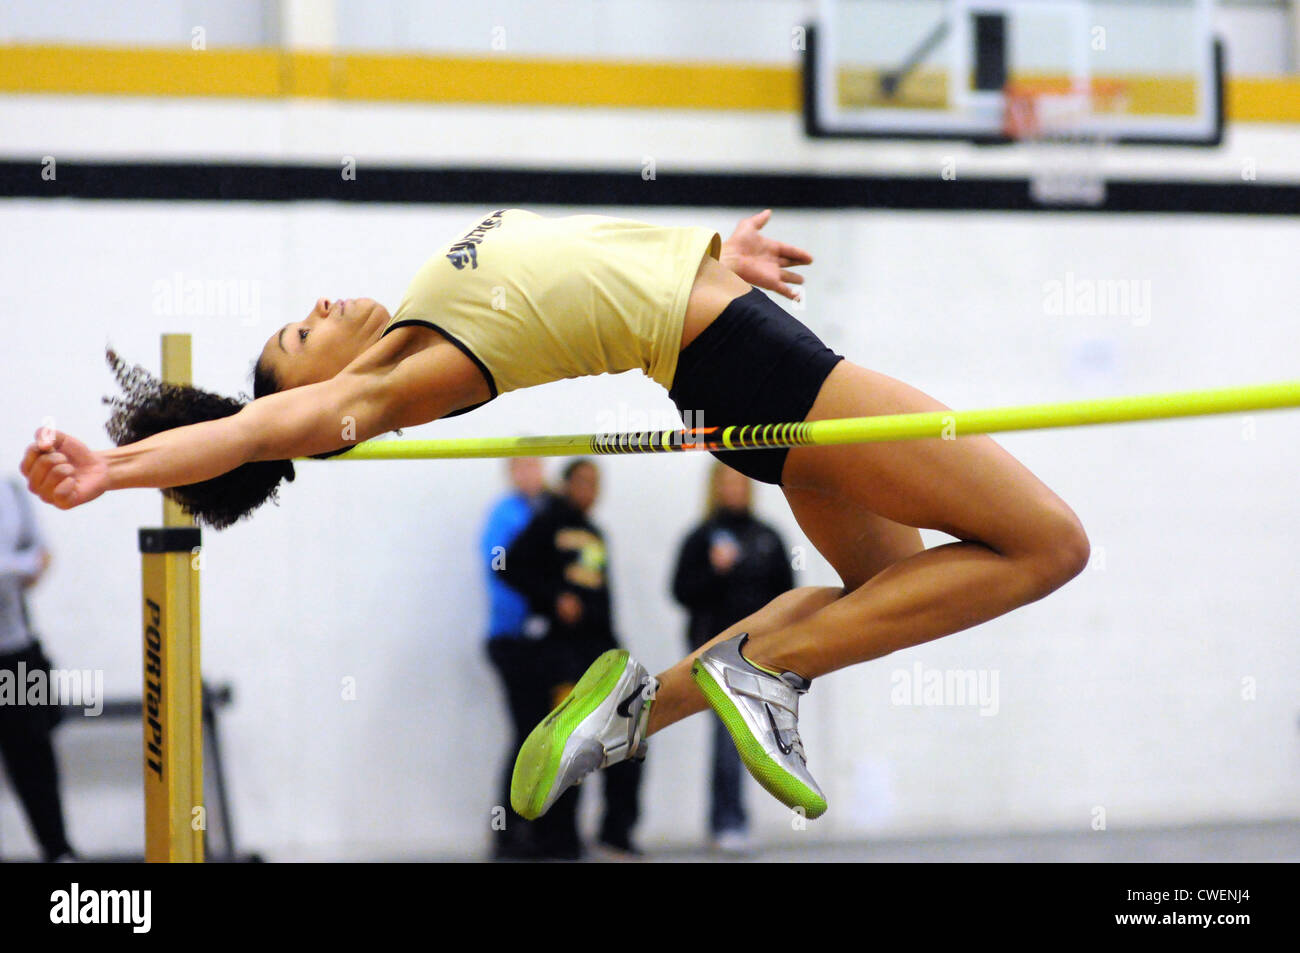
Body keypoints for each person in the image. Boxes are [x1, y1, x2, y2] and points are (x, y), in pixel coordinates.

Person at [20, 207, 1089, 824]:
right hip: (753, 369)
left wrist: (715, 256)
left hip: (726, 368)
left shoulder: (428, 302)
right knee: (1047, 544)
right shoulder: (388, 386)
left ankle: (644, 704)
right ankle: (761, 669)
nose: (315, 312)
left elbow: (594, 270)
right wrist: (106, 470)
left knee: (876, 597)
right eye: (302, 339)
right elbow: (255, 433)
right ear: (322, 402)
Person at [501, 458, 642, 859]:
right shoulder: (548, 522)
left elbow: (602, 599)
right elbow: (508, 566)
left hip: (598, 652)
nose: (589, 489)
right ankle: (557, 838)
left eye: (596, 482)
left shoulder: (595, 532)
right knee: (565, 746)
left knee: (627, 738)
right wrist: (553, 599)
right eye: (581, 481)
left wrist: (619, 656)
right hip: (560, 653)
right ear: (565, 485)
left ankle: (616, 832)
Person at [671, 463, 792, 852]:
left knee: (756, 739)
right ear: (715, 487)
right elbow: (681, 591)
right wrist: (715, 571)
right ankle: (727, 821)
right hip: (715, 653)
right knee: (730, 737)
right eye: (728, 483)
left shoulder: (767, 537)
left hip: (761, 654)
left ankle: (732, 819)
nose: (736, 490)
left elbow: (789, 596)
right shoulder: (701, 538)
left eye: (742, 482)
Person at [0, 475, 75, 862]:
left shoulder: (10, 491)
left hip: (14, 650)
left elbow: (41, 555)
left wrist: (19, 572)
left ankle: (59, 851)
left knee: (34, 759)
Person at [480, 456, 549, 860]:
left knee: (537, 736)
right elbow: (501, 570)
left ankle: (530, 828)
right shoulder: (506, 515)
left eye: (536, 467)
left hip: (536, 638)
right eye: (523, 468)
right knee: (525, 734)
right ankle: (508, 831)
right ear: (511, 473)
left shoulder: (542, 510)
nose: (532, 475)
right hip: (512, 639)